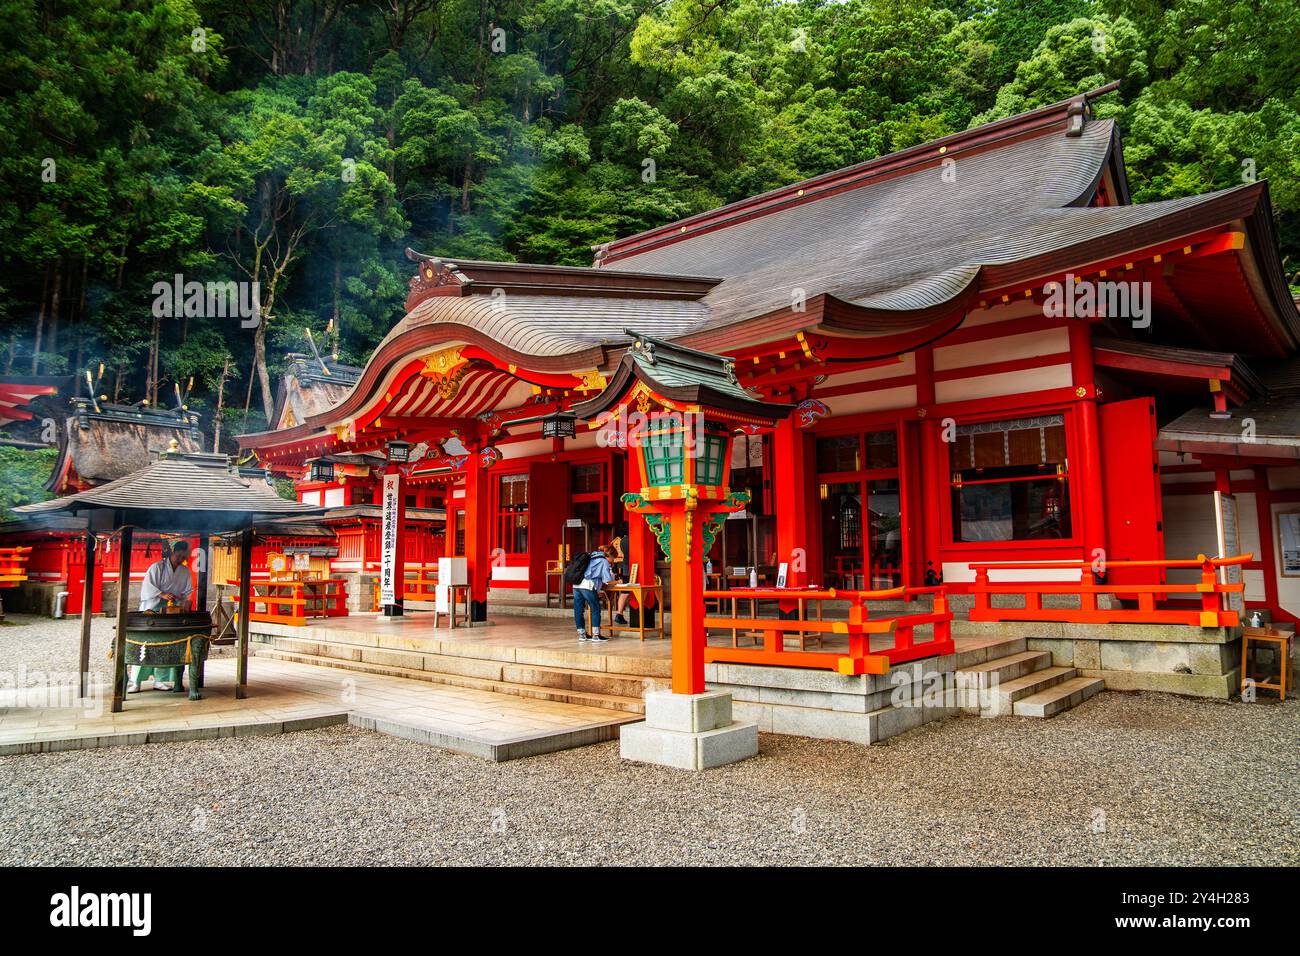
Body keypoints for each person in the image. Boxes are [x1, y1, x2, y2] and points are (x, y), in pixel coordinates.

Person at [128, 540, 195, 693]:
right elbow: (147, 586)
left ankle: (160, 679)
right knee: (145, 644)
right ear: (173, 552)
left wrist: (183, 600)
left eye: (183, 556)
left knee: (167, 644)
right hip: (152, 609)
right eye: (179, 555)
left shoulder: (184, 571)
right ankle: (135, 681)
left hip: (171, 610)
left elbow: (187, 591)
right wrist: (163, 594)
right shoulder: (157, 567)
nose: (180, 558)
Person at [573, 544, 617, 643]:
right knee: (595, 609)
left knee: (578, 610)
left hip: (576, 584)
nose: (613, 561)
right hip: (587, 585)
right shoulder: (603, 561)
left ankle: (582, 635)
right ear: (609, 555)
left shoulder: (592, 555)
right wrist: (618, 582)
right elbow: (607, 580)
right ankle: (596, 635)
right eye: (613, 558)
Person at [611, 526, 632, 626]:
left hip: (625, 567)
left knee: (624, 592)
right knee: (630, 591)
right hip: (632, 567)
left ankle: (619, 613)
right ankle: (620, 614)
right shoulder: (631, 539)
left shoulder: (622, 540)